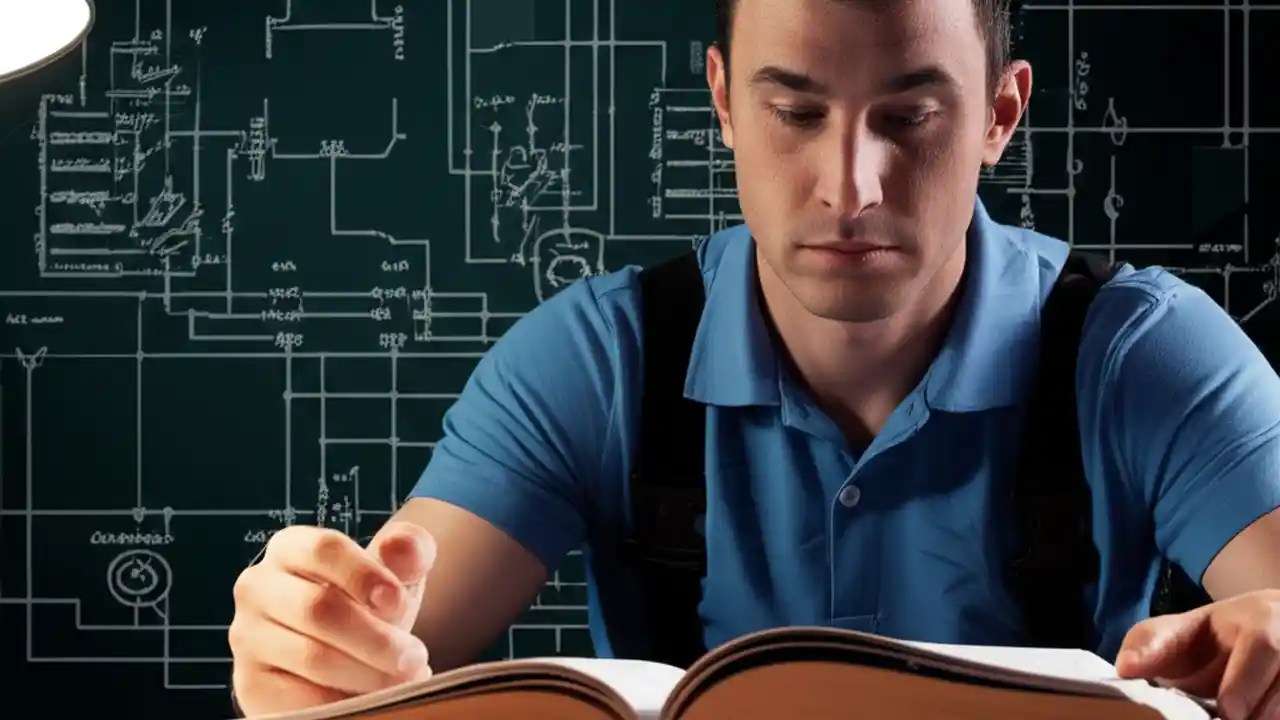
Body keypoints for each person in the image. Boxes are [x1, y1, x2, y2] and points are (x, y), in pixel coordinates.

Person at [226, 0, 1280, 718]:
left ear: (999, 114)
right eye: (795, 111)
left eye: (909, 116)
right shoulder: (590, 361)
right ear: (724, 101)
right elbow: (369, 666)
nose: (848, 187)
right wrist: (308, 654)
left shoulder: (1148, 354)